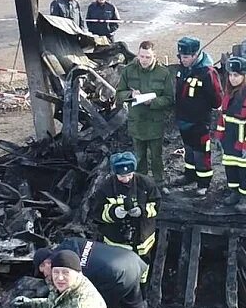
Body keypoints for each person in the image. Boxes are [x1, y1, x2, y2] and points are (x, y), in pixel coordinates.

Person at [34, 237, 152, 308]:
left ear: (46, 263)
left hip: (116, 277)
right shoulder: (72, 242)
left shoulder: (67, 269)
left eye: (43, 272)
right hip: (131, 260)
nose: (46, 277)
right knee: (133, 302)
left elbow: (70, 296)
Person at [114, 41, 175, 185]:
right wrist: (131, 94)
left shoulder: (163, 73)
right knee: (139, 156)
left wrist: (152, 102)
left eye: (148, 57)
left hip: (155, 122)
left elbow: (169, 99)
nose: (144, 60)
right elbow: (119, 94)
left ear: (154, 55)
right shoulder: (129, 70)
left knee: (156, 156)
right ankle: (141, 183)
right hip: (137, 122)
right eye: (141, 56)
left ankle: (159, 182)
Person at [213, 56, 246, 211]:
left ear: (244, 76)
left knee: (245, 172)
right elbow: (222, 117)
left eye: (236, 75)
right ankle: (235, 192)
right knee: (231, 169)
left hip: (244, 142)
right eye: (230, 75)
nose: (232, 78)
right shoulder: (229, 93)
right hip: (230, 141)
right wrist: (218, 137)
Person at [92, 152, 160, 275]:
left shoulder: (146, 184)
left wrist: (142, 210)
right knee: (118, 270)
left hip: (142, 239)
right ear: (115, 173)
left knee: (142, 268)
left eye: (129, 175)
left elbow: (156, 205)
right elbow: (97, 212)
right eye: (122, 176)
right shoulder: (105, 187)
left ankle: (142, 287)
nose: (126, 179)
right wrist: (113, 213)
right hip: (116, 240)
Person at [172, 36, 224, 197]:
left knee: (201, 153)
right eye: (181, 56)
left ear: (196, 55)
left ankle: (203, 183)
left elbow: (217, 100)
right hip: (183, 119)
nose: (183, 59)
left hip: (200, 122)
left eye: (186, 57)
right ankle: (190, 174)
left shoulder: (208, 73)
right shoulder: (182, 69)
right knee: (189, 150)